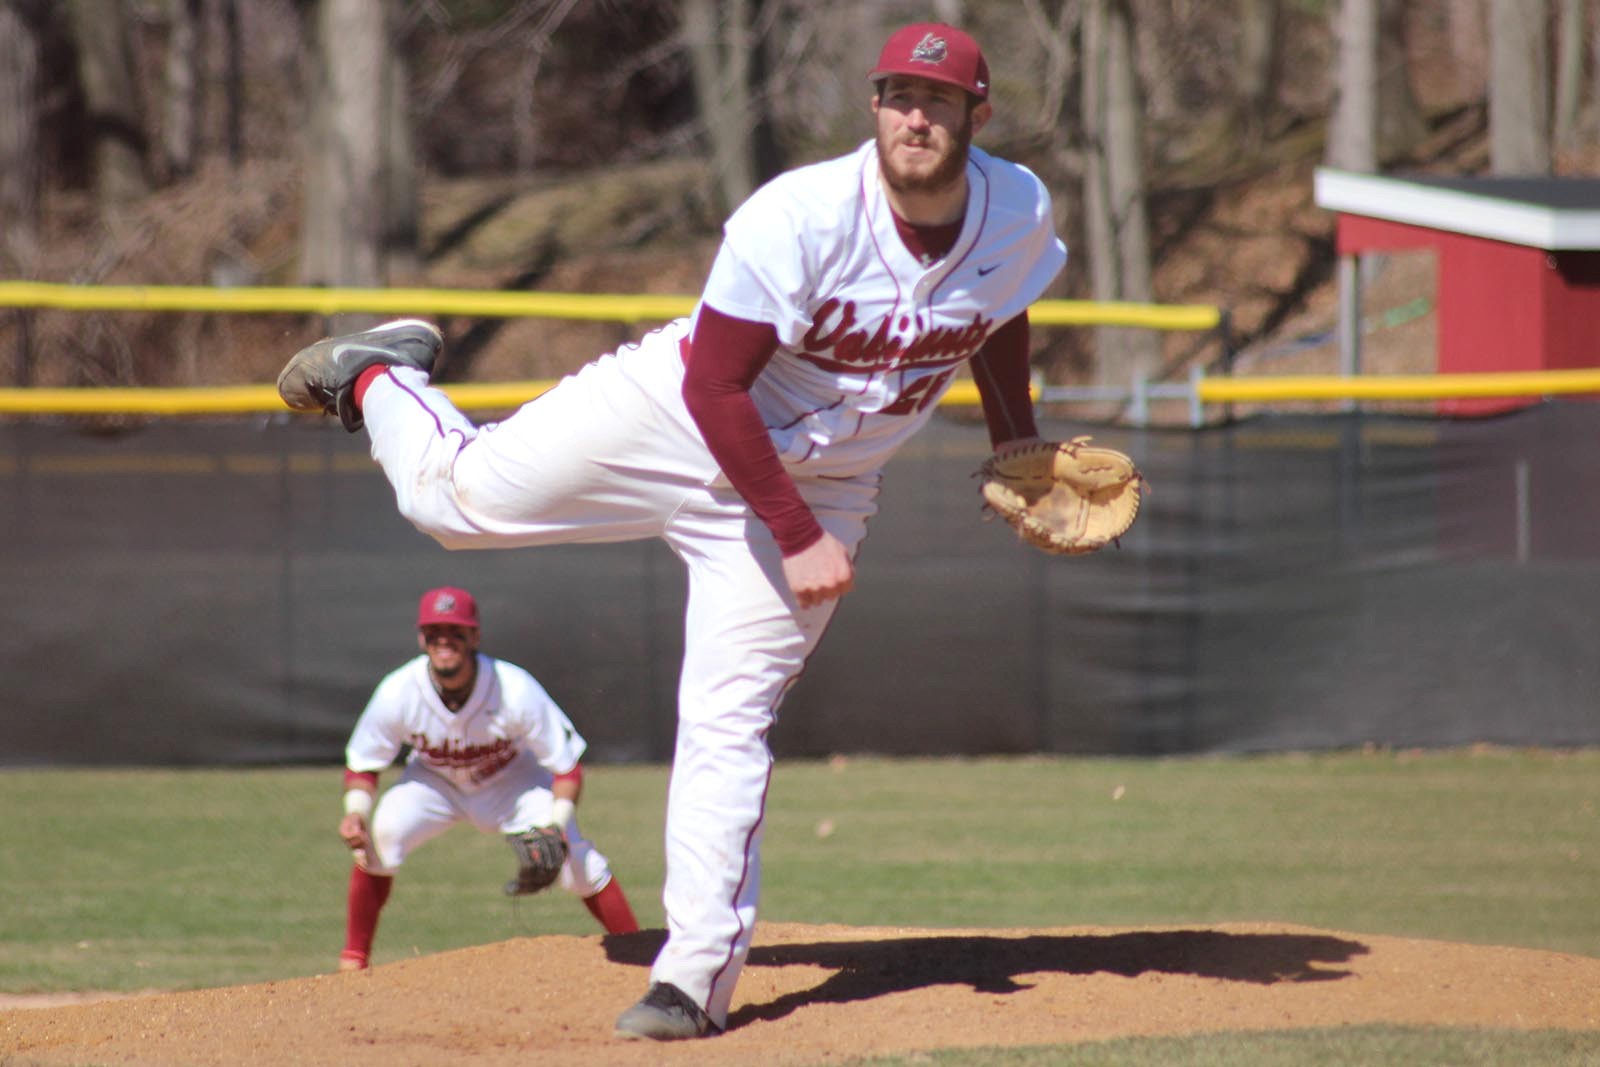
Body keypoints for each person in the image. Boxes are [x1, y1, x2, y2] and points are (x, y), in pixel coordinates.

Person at [279, 21, 1065, 1039]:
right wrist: (792, 532)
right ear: (871, 107)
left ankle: (692, 978)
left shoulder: (1018, 211)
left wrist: (1018, 443)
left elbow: (998, 315)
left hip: (826, 480)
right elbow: (714, 382)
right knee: (447, 504)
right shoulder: (800, 216)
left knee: (726, 716)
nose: (916, 116)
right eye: (897, 96)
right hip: (678, 418)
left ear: (976, 114)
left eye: (940, 99)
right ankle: (384, 374)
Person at [335, 585, 640, 972]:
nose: (444, 640)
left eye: (455, 631)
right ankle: (353, 958)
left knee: (578, 861)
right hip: (436, 784)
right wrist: (356, 811)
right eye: (434, 631)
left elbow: (567, 768)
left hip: (512, 782)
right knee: (381, 834)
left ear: (475, 636)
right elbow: (363, 764)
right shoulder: (398, 691)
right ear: (421, 638)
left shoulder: (514, 687)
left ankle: (641, 953)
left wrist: (556, 825)